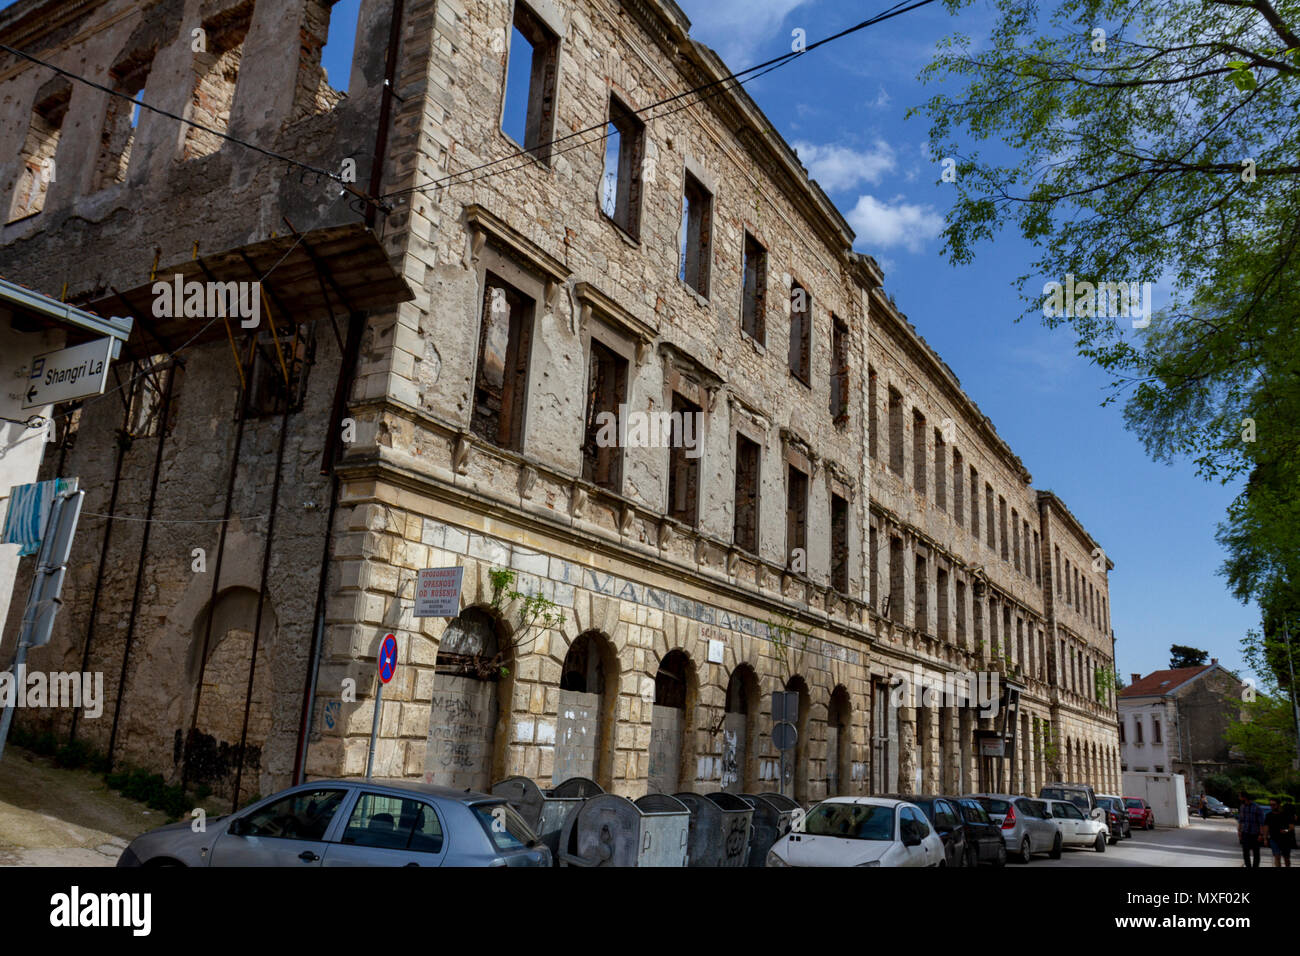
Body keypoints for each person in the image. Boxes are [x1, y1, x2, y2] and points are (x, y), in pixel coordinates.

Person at [1237, 791, 1267, 867]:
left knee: (1256, 853)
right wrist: (1239, 831)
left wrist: (1261, 834)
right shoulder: (1242, 807)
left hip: (1255, 834)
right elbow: (1241, 820)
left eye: (1240, 796)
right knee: (1245, 852)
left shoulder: (1257, 808)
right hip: (1245, 833)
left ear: (1244, 797)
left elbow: (1261, 823)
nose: (1239, 798)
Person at [1263, 798, 1294, 868]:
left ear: (1279, 805)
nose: (1272, 806)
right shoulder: (1269, 815)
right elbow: (1266, 827)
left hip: (1286, 840)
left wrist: (1285, 831)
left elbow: (1291, 827)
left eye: (1274, 805)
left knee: (1286, 859)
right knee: (1277, 857)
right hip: (1274, 839)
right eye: (1270, 805)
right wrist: (1265, 838)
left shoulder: (1286, 814)